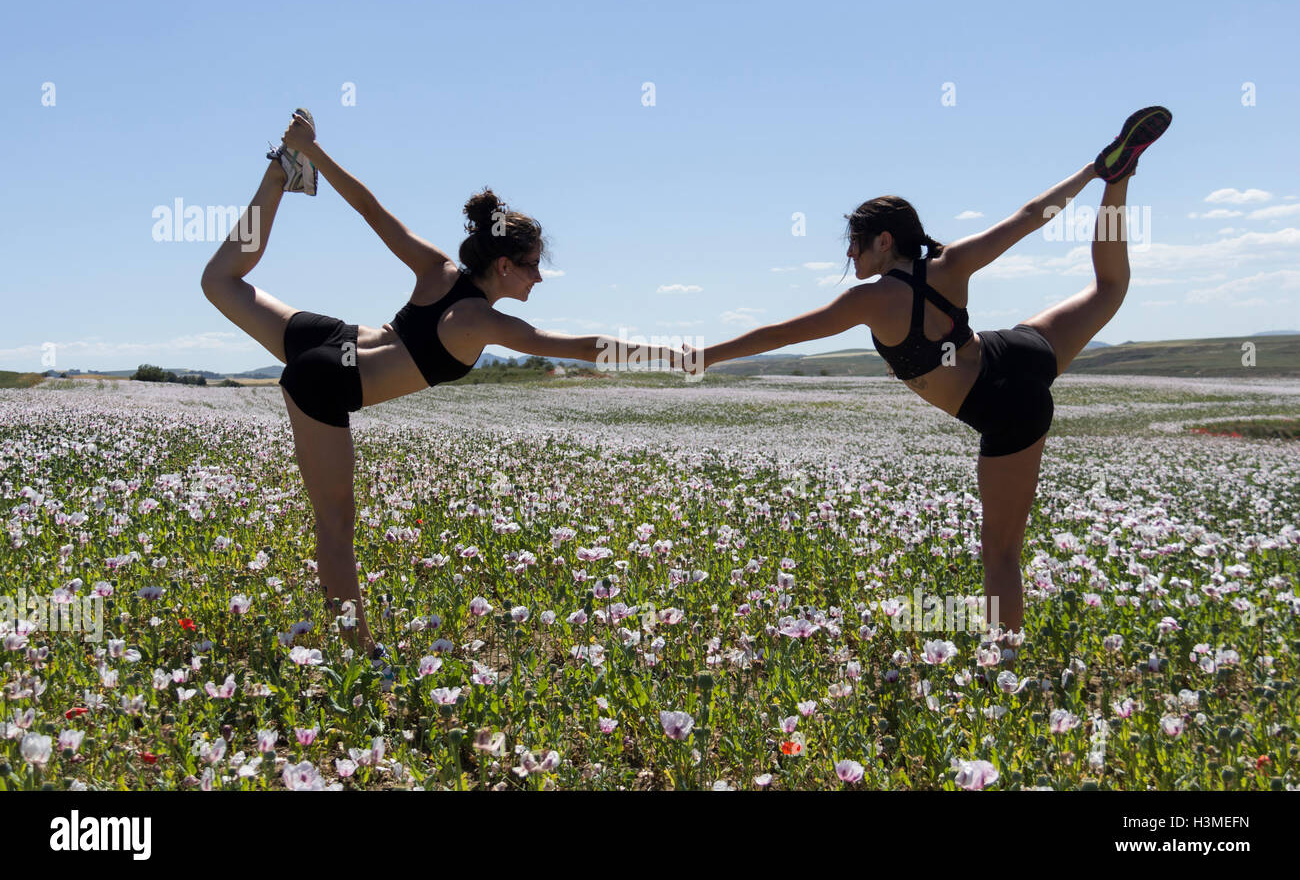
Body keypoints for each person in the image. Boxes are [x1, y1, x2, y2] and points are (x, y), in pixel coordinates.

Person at [201, 110, 682, 662]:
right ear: (504, 265)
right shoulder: (483, 321)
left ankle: (280, 174)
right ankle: (360, 657)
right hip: (326, 378)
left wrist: (316, 151)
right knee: (335, 526)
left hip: (332, 337)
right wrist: (676, 355)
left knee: (220, 281)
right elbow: (584, 346)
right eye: (532, 266)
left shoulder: (438, 268)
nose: (540, 277)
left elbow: (370, 209)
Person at [686, 107, 1173, 631]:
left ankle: (1005, 668)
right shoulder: (950, 262)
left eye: (855, 242)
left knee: (1002, 555)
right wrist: (1093, 170)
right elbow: (1033, 215)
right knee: (1109, 289)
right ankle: (1118, 182)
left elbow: (781, 334)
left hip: (1007, 410)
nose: (850, 255)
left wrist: (709, 355)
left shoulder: (869, 300)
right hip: (1016, 351)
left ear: (884, 242)